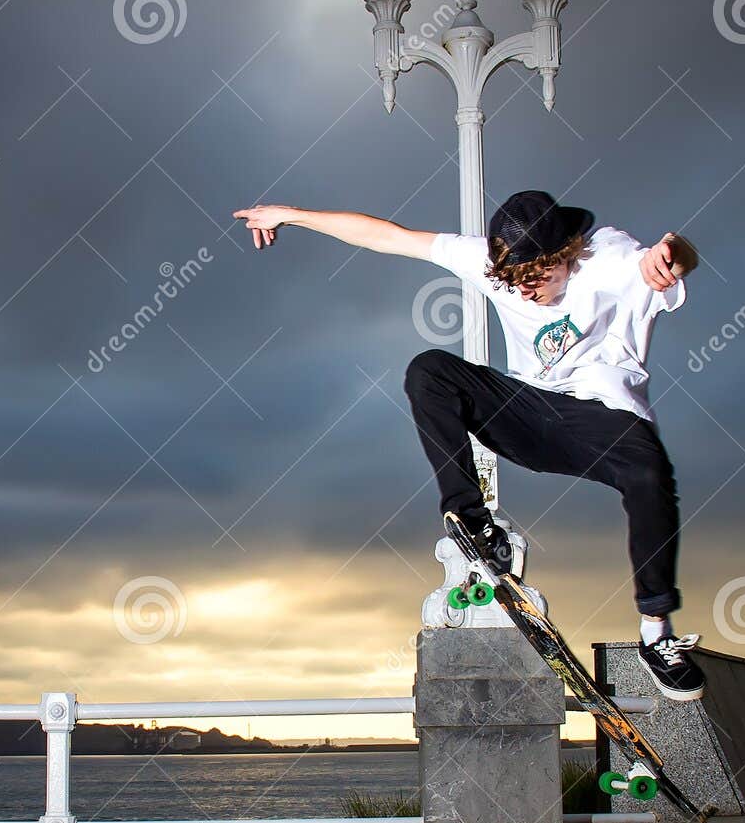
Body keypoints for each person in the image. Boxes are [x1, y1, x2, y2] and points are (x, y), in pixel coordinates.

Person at [231, 191, 705, 701]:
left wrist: (672, 255)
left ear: (566, 254)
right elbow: (389, 236)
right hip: (527, 413)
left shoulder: (608, 257)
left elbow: (672, 257)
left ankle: (657, 635)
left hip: (604, 422)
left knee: (649, 474)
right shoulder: (488, 258)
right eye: (513, 283)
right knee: (429, 371)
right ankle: (472, 522)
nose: (525, 293)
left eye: (536, 280)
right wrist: (295, 216)